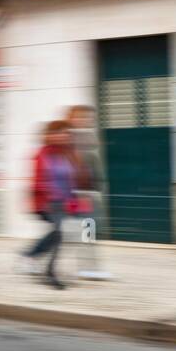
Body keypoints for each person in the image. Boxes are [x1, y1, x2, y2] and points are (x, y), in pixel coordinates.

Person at [18, 120, 78, 289]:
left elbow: (71, 180)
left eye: (67, 133)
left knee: (57, 234)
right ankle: (50, 273)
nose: (64, 136)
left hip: (64, 203)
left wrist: (73, 199)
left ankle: (30, 254)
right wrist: (52, 195)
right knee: (58, 235)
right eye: (60, 132)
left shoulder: (66, 154)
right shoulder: (41, 155)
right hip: (48, 203)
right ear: (50, 135)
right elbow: (37, 182)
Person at [66, 105, 112, 280]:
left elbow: (93, 163)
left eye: (88, 117)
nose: (85, 120)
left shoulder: (88, 137)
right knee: (75, 232)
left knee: (87, 231)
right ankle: (34, 257)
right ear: (72, 118)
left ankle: (88, 267)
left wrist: (98, 186)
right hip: (74, 193)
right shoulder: (68, 138)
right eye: (80, 117)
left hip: (87, 193)